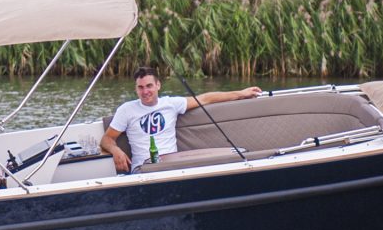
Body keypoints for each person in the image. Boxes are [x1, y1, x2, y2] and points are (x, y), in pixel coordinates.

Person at [100, 67, 262, 173]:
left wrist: (242, 93)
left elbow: (205, 98)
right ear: (136, 89)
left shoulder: (171, 104)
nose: (145, 91)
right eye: (140, 87)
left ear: (158, 85)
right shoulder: (127, 109)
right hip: (143, 169)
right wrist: (116, 151)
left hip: (174, 166)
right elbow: (106, 139)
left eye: (149, 86)